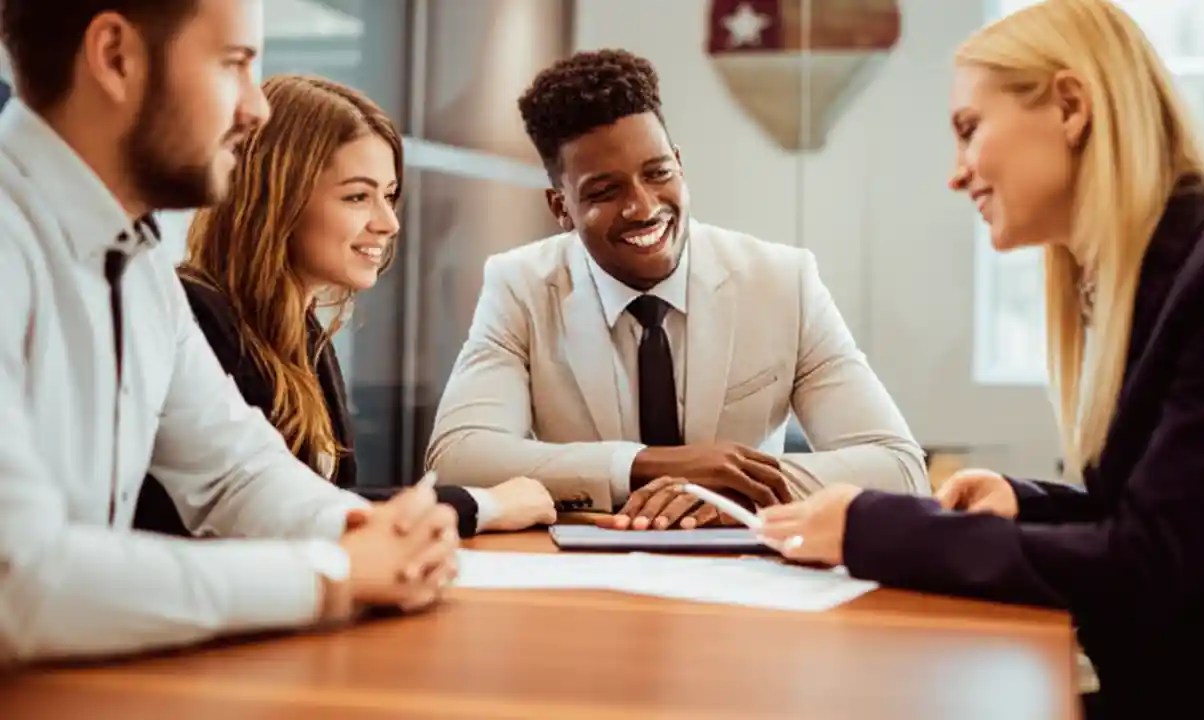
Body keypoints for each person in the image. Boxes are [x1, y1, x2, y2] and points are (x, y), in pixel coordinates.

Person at [757, 1, 1204, 717]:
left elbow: (1149, 564)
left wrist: (871, 528)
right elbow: (1148, 511)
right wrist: (1022, 503)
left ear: (1070, 105)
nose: (956, 173)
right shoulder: (1152, 274)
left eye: (969, 130)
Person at [0, 0, 458, 663]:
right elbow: (19, 577)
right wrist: (330, 574)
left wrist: (369, 530)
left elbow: (234, 472)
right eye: (234, 64)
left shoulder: (140, 261)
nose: (256, 109)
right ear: (115, 57)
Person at [426, 49, 928, 531]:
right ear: (561, 208)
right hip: (588, 573)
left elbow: (900, 467)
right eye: (605, 191)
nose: (642, 208)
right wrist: (646, 466)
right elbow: (459, 458)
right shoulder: (520, 286)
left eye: (657, 173)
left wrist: (733, 489)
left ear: (680, 165)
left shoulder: (782, 281)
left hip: (746, 577)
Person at [133, 74, 555, 540]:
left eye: (389, 195)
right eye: (358, 196)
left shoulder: (303, 332)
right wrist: (482, 504)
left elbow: (323, 502)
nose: (388, 222)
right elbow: (292, 512)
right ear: (278, 199)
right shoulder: (199, 318)